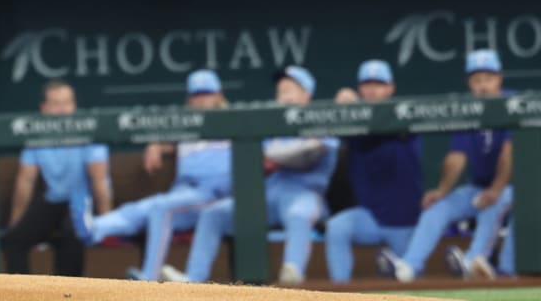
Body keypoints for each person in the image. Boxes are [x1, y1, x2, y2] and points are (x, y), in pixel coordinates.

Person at [170, 66, 338, 285]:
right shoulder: (270, 124)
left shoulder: (321, 120)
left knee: (299, 214)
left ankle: (293, 274)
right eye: (280, 90)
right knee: (214, 214)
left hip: (303, 194)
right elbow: (249, 153)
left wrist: (271, 156)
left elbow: (311, 151)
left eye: (289, 89)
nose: (283, 94)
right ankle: (193, 279)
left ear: (306, 94)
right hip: (268, 194)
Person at [379, 50, 513, 282]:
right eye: (477, 80)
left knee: (495, 200)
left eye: (488, 79)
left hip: (517, 187)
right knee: (437, 207)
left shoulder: (513, 103)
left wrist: (497, 188)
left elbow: (509, 153)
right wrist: (441, 190)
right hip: (478, 187)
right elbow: (456, 157)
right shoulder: (469, 110)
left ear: (499, 78)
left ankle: (473, 261)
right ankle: (409, 266)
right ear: (469, 83)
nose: (483, 86)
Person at [87, 71, 230, 281]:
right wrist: (156, 144)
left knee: (161, 208)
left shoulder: (233, 121)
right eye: (197, 95)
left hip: (214, 194)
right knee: (139, 209)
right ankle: (94, 227)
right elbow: (173, 142)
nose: (202, 100)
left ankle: (149, 277)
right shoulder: (186, 126)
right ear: (190, 99)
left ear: (219, 95)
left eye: (207, 93)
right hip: (183, 193)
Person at [323, 60, 421, 283]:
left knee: (412, 283)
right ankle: (340, 292)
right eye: (367, 84)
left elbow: (380, 128)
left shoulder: (404, 116)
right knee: (337, 227)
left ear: (390, 88)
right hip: (371, 218)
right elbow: (350, 133)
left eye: (379, 84)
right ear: (360, 88)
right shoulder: (355, 126)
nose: (372, 89)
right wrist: (343, 111)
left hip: (404, 221)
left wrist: (353, 108)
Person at [1, 80, 111, 276]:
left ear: (74, 106)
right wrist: (15, 221)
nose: (62, 110)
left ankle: (67, 295)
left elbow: (99, 181)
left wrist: (107, 223)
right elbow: (25, 182)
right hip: (52, 200)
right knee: (14, 240)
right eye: (56, 104)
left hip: (81, 199)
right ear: (44, 108)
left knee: (73, 231)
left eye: (67, 103)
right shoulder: (37, 136)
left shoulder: (88, 131)